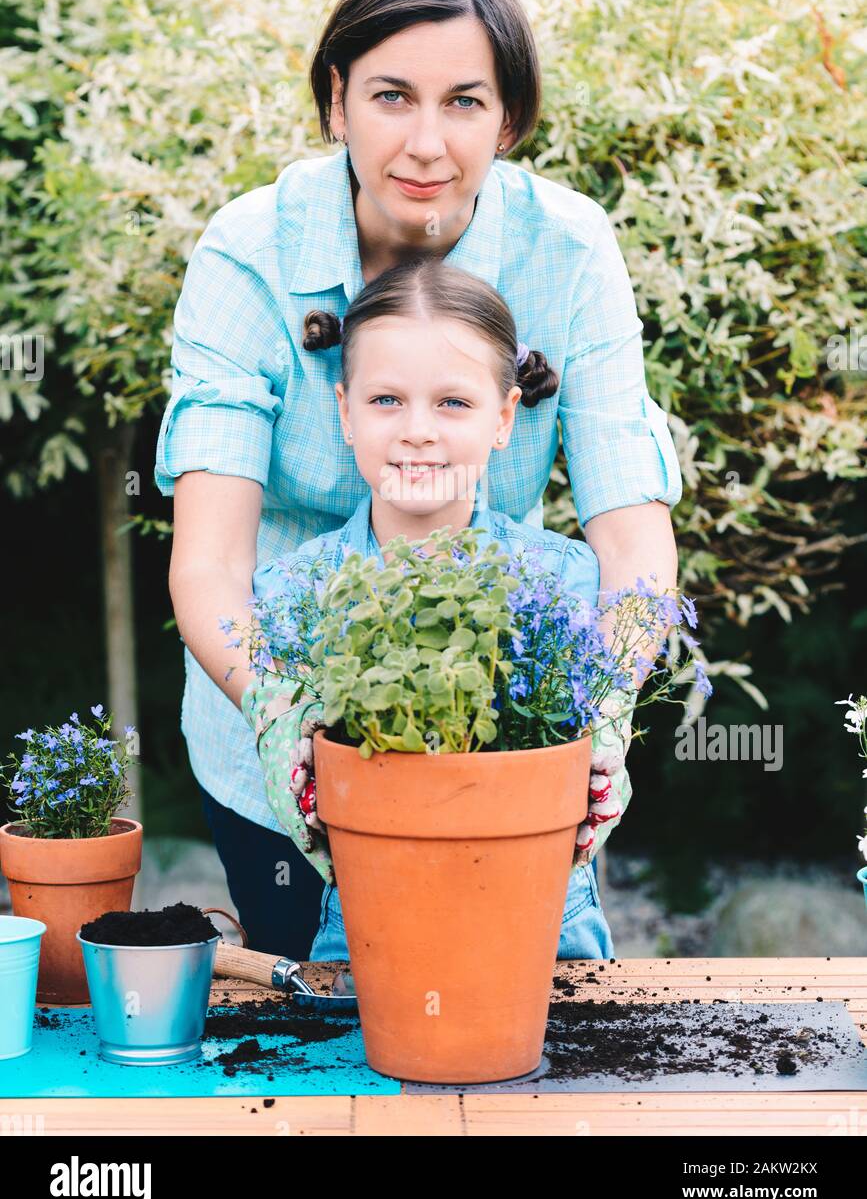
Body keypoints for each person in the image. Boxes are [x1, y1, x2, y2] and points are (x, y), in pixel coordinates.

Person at [155, 0, 681, 958]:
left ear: (512, 117)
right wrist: (285, 717)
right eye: (392, 96)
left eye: (466, 102)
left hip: (508, 742)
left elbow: (632, 538)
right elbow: (212, 559)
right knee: (327, 1035)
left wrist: (600, 713)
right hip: (271, 721)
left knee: (513, 1033)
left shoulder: (569, 254)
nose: (426, 144)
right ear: (337, 99)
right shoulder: (249, 253)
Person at [242, 256, 637, 961]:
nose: (417, 430)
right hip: (373, 918)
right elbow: (294, 737)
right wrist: (285, 735)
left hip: (545, 920)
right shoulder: (292, 591)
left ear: (504, 418)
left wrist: (606, 747)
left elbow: (587, 737)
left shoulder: (562, 578)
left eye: (452, 403)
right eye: (385, 400)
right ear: (343, 412)